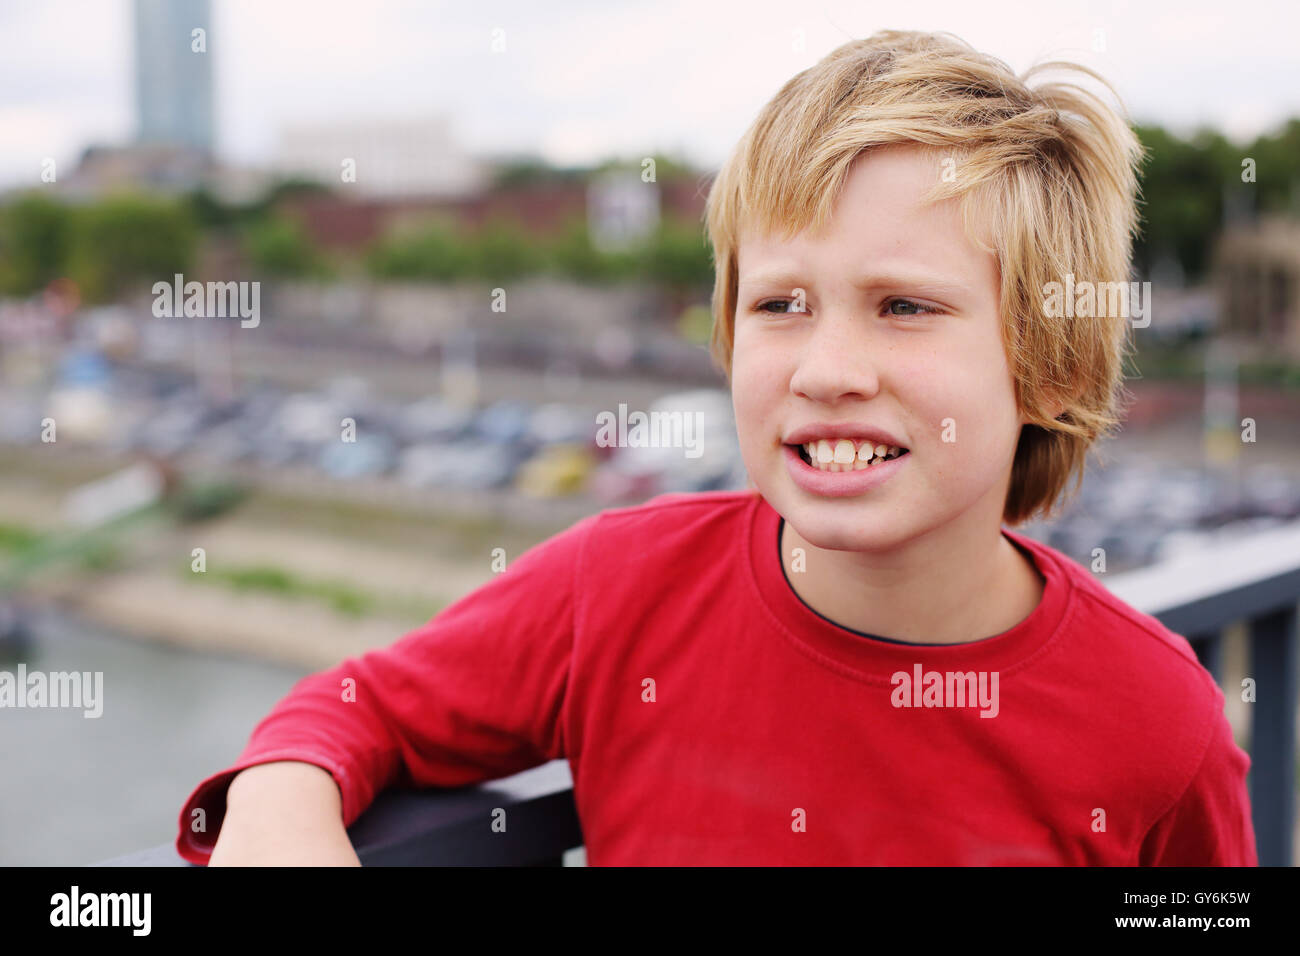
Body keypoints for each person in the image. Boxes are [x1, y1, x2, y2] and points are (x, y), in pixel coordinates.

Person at [178, 29, 1256, 866]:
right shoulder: (618, 591)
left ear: (1051, 369)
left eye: (903, 307)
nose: (826, 366)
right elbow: (360, 704)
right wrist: (281, 803)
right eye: (782, 301)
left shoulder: (1156, 724)